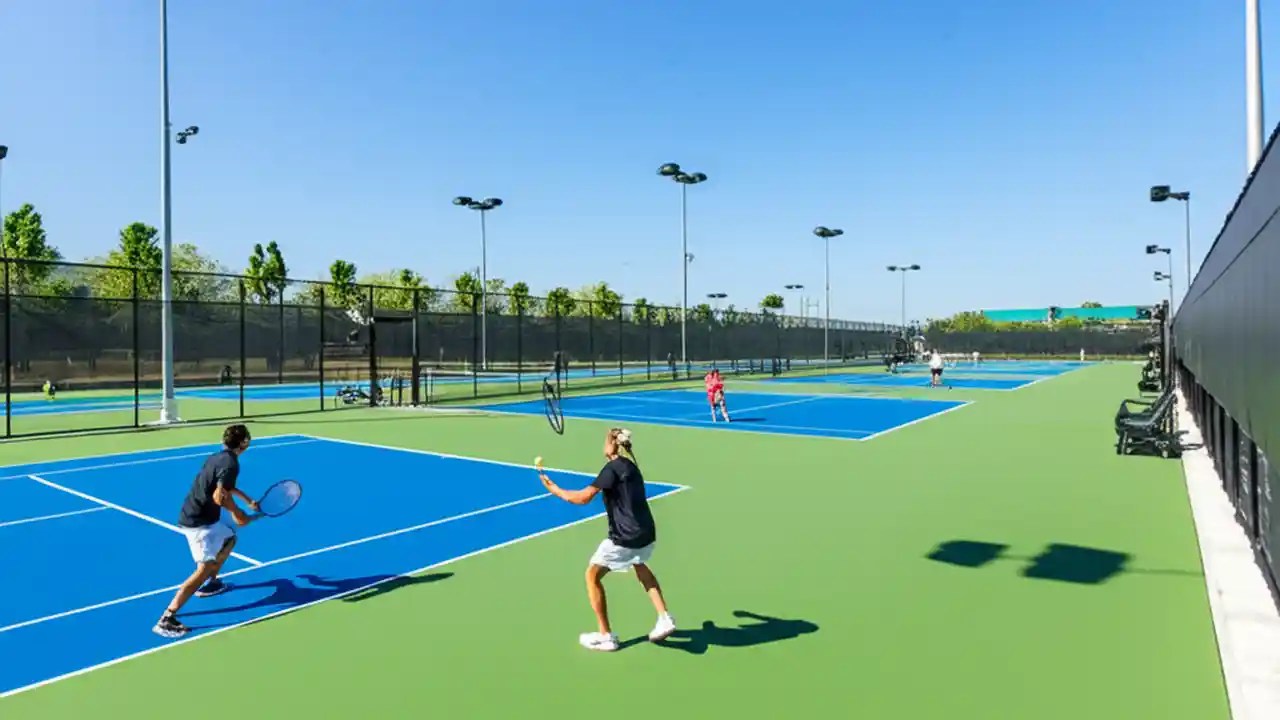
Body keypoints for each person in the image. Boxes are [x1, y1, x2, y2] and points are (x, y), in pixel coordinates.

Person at [538, 428, 676, 651]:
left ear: (615, 447)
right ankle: (664, 617)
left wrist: (556, 490)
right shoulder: (632, 466)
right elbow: (609, 450)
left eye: (609, 441)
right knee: (639, 565)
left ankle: (606, 636)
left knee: (592, 575)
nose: (605, 445)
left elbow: (582, 498)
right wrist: (611, 434)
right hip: (647, 532)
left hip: (625, 536)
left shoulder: (611, 470)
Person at [153, 424, 259, 638]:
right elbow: (219, 496)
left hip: (199, 515)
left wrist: (247, 500)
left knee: (229, 539)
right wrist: (238, 514)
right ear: (244, 443)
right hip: (198, 523)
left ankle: (212, 582)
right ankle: (167, 617)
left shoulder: (218, 457)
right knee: (203, 568)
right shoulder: (231, 464)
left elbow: (223, 486)